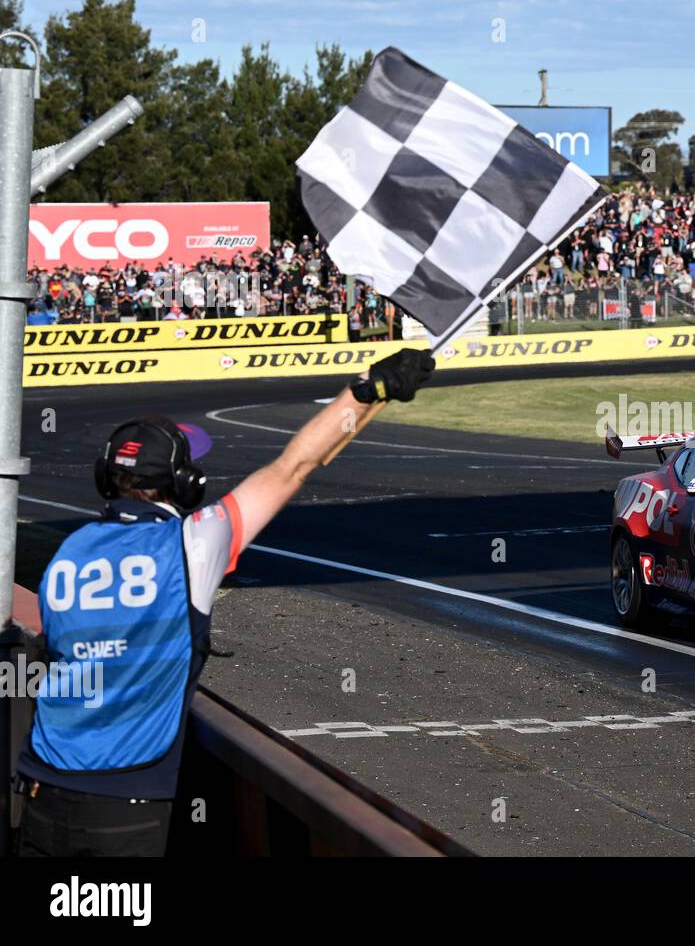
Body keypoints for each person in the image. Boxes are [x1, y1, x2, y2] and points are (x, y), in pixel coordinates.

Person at [14, 348, 436, 857]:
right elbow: (292, 467)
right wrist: (369, 391)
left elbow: (55, 651)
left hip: (40, 789)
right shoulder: (194, 541)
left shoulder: (70, 551)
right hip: (124, 805)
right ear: (184, 484)